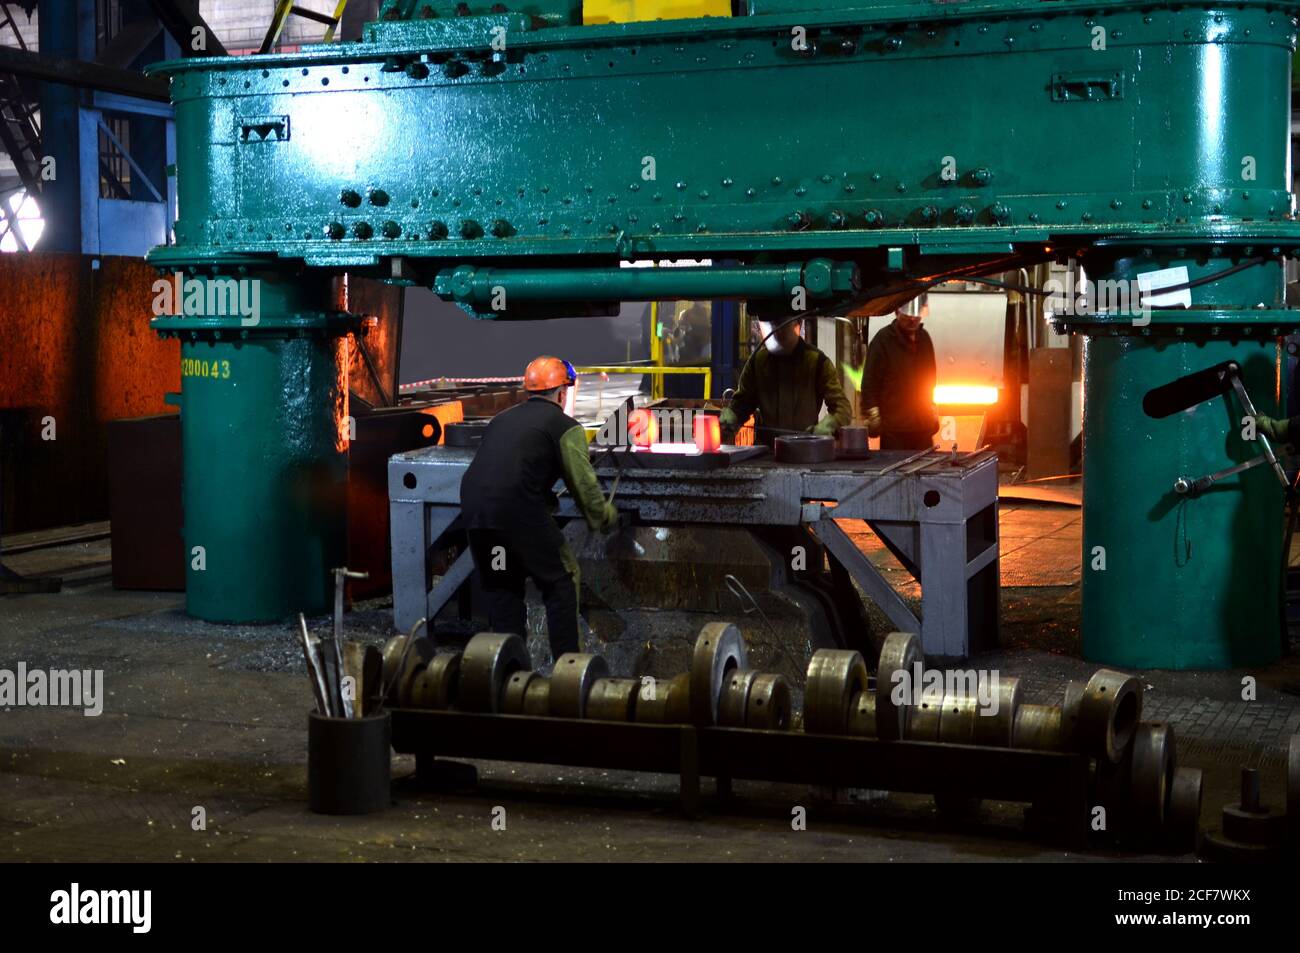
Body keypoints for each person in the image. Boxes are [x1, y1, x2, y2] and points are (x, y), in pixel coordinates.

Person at [460, 356, 618, 658]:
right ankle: (567, 671)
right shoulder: (565, 426)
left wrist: (545, 499)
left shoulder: (501, 418)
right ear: (561, 393)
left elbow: (509, 470)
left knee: (504, 589)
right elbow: (583, 487)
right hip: (518, 513)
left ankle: (508, 674)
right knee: (561, 579)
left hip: (478, 514)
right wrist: (607, 518)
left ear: (528, 391)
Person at [718, 317, 852, 445]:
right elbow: (742, 404)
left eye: (781, 322)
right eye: (770, 324)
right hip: (766, 454)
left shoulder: (817, 362)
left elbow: (842, 408)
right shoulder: (757, 362)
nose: (776, 329)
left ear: (796, 323)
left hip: (803, 452)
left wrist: (829, 424)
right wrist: (732, 416)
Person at [861, 294, 939, 450]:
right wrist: (873, 416)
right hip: (895, 432)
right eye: (907, 313)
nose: (912, 319)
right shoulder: (883, 341)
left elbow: (930, 380)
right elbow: (869, 383)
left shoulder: (924, 339)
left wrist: (932, 411)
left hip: (923, 428)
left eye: (916, 313)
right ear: (896, 311)